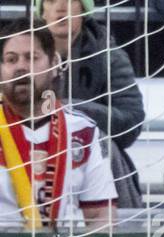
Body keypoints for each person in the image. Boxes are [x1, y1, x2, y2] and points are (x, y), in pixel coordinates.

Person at [0, 20, 116, 229]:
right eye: (11, 59)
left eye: (31, 58)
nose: (21, 67)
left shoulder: (83, 132)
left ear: (54, 64)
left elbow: (101, 216)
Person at [35, 0, 146, 207]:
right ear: (41, 11)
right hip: (33, 161)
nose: (61, 8)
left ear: (83, 9)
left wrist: (72, 111)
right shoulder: (21, 56)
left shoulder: (108, 56)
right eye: (51, 1)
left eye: (70, 1)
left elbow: (131, 122)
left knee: (104, 145)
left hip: (96, 166)